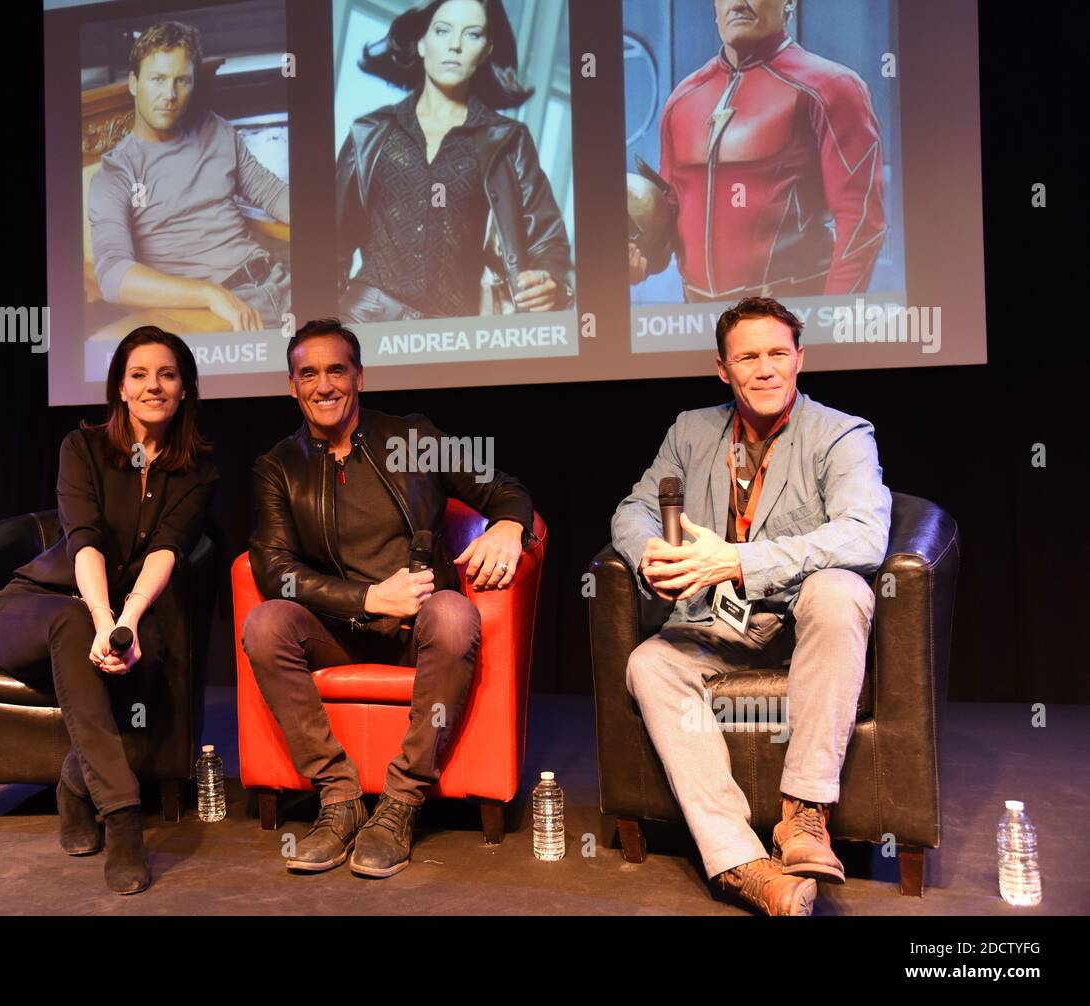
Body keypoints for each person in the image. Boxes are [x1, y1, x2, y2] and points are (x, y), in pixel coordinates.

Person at [610, 297, 891, 915]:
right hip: (723, 623)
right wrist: (654, 554)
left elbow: (864, 534)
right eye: (747, 357)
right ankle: (743, 864)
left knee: (840, 587)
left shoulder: (842, 434)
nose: (764, 369)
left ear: (799, 359)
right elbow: (631, 509)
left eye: (776, 354)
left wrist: (738, 561)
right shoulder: (690, 430)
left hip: (806, 625)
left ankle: (804, 814)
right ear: (723, 369)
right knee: (648, 664)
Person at [243, 317, 537, 877]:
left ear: (359, 377)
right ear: (292, 385)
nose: (324, 385)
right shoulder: (279, 467)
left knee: (453, 615)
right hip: (337, 631)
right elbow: (273, 568)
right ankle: (338, 797)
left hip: (417, 630)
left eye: (337, 370)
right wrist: (370, 598)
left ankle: (400, 803)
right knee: (265, 624)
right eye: (309, 373)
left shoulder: (412, 439)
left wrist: (507, 525)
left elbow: (504, 487)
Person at [0, 326, 220, 894]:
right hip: (34, 608)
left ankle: (73, 786)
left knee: (147, 663)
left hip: (113, 616)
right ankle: (124, 820)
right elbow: (83, 539)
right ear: (119, 386)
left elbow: (168, 547)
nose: (152, 386)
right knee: (69, 623)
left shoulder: (198, 468)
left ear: (185, 389)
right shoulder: (81, 447)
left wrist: (125, 624)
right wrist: (101, 619)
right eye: (138, 374)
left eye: (166, 374)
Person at [628, 0, 887, 301]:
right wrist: (642, 259)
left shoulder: (833, 88)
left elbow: (862, 222)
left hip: (789, 317)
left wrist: (834, 320)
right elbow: (670, 220)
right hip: (700, 322)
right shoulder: (681, 100)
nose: (737, 3)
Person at [336, 0, 574, 322]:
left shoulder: (508, 140)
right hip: (364, 319)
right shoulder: (369, 133)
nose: (455, 45)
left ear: (487, 50)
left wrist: (551, 280)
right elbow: (330, 246)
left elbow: (547, 242)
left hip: (454, 334)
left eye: (472, 34)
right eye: (443, 30)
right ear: (421, 42)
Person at [89, 20, 291, 331]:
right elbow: (113, 276)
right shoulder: (116, 173)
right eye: (157, 79)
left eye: (181, 80)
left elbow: (272, 192)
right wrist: (210, 295)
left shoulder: (217, 130)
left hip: (278, 279)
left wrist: (324, 224)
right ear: (134, 82)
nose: (170, 94)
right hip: (216, 312)